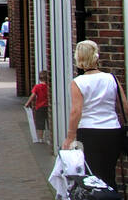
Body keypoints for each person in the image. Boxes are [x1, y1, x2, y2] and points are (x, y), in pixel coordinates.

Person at [62, 41, 128, 188]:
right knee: (109, 173)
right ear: (96, 57)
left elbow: (76, 111)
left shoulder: (78, 82)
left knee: (93, 174)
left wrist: (70, 137)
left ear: (79, 59)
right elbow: (124, 106)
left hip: (89, 131)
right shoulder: (112, 79)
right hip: (113, 131)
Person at [25, 69, 51, 145]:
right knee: (49, 123)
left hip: (39, 107)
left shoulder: (37, 87)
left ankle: (40, 138)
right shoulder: (49, 87)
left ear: (39, 78)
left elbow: (32, 96)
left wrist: (27, 103)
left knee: (40, 123)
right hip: (48, 107)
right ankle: (50, 138)